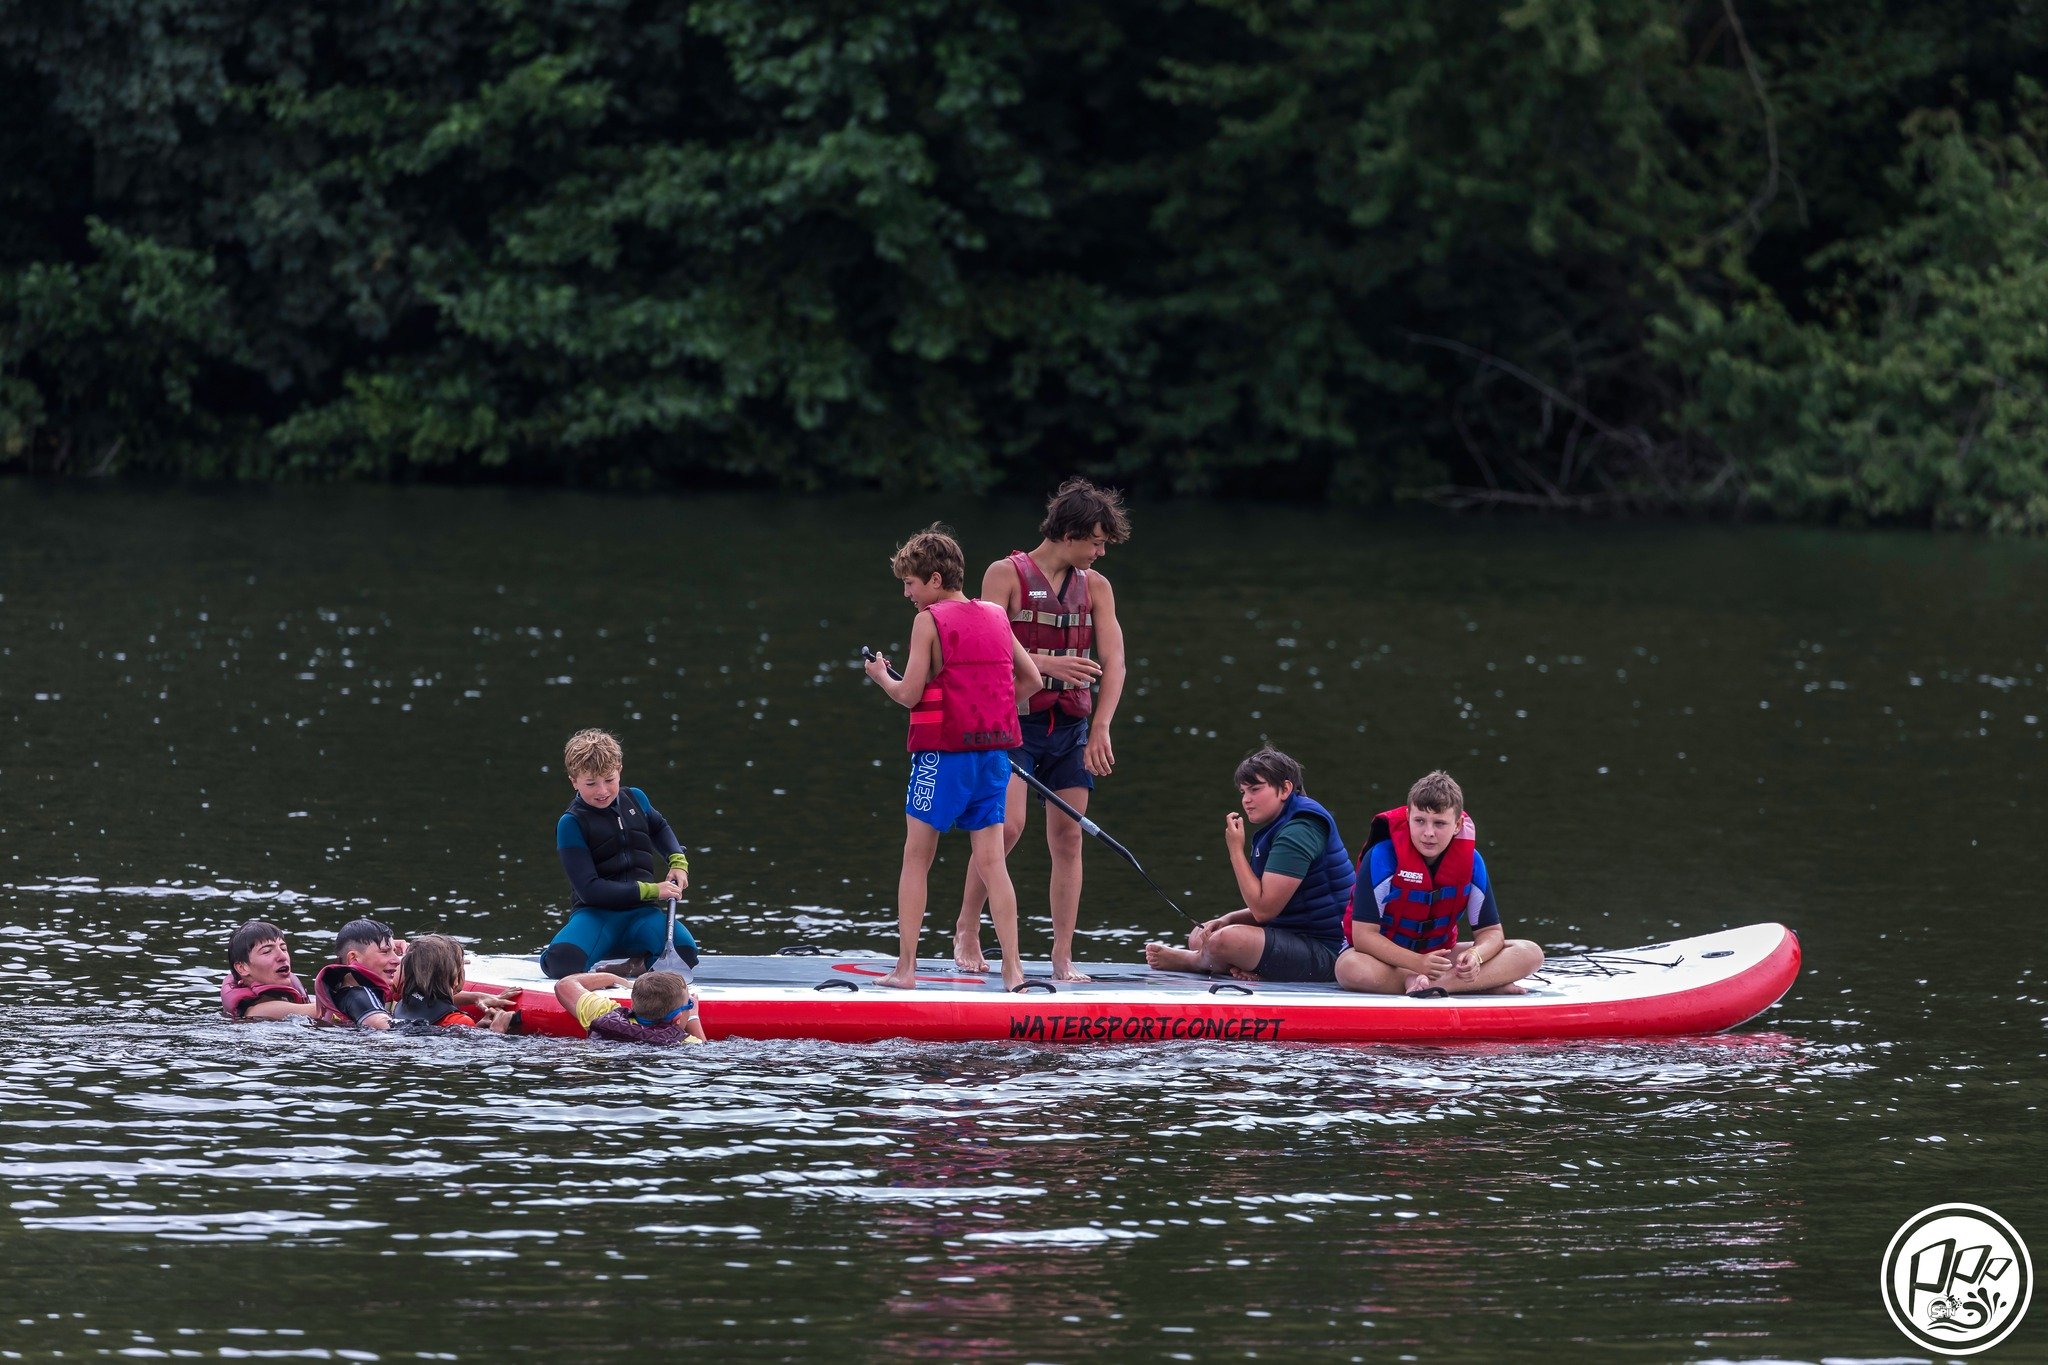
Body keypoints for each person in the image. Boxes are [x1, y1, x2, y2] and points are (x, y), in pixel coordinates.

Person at [953, 477, 1131, 982]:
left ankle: (1061, 954)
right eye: (1095, 541)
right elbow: (984, 653)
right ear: (1070, 532)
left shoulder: (1096, 587)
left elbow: (1114, 664)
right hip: (1014, 726)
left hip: (1071, 727)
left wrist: (1101, 727)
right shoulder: (1003, 575)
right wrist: (1051, 663)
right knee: (1005, 829)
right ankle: (967, 925)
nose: (1100, 552)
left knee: (1068, 838)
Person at [863, 524, 1041, 991]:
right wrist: (990, 708)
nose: (907, 593)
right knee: (992, 863)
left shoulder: (929, 620)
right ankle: (1013, 968)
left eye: (911, 583)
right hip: (993, 757)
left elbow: (909, 694)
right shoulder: (998, 616)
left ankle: (905, 970)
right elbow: (1033, 682)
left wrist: (881, 676)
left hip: (943, 757)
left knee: (916, 859)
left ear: (936, 580)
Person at [1143, 746, 1356, 981]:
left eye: (1255, 789)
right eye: (1243, 791)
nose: (1246, 800)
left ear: (1285, 789)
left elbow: (1264, 910)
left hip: (1330, 952)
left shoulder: (1299, 831)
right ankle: (1228, 963)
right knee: (1201, 934)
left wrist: (1235, 850)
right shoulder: (1284, 823)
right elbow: (1284, 908)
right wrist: (1229, 918)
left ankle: (1196, 961)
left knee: (1225, 940)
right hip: (1295, 935)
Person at [1333, 770, 1544, 996]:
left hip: (1439, 958)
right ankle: (1462, 983)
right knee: (1348, 968)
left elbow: (1491, 933)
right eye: (1420, 821)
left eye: (1440, 823)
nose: (1428, 833)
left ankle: (1438, 984)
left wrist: (1476, 956)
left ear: (1457, 824)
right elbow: (1364, 937)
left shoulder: (1472, 863)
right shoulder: (1382, 857)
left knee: (1530, 952)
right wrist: (1416, 963)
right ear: (1407, 819)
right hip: (1380, 958)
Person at [541, 728, 695, 980]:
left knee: (687, 952)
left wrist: (678, 860)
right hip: (596, 915)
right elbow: (589, 889)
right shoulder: (571, 823)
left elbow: (659, 827)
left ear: (619, 770)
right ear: (574, 781)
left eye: (609, 780)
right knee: (561, 963)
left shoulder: (637, 799)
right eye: (591, 783)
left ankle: (634, 966)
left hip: (642, 915)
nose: (602, 791)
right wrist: (655, 890)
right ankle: (562, 950)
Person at [391, 934, 516, 1032]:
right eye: (461, 965)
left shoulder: (402, 1004)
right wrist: (496, 1031)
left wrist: (477, 1028)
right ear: (455, 978)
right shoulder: (460, 1021)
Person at [553, 970, 707, 1045]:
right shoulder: (684, 1043)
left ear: (633, 1003)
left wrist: (613, 978)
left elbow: (565, 985)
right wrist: (693, 1017)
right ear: (677, 1018)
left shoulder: (604, 1013)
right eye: (689, 1004)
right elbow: (704, 1055)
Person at [219, 919, 318, 1021]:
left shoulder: (290, 1000)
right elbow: (324, 1010)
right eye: (267, 951)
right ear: (242, 968)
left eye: (283, 949)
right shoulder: (258, 1011)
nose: (282, 957)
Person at [313, 918, 402, 1029]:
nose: (397, 960)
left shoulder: (340, 992)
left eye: (395, 952)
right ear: (353, 958)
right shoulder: (360, 996)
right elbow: (389, 1030)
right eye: (385, 952)